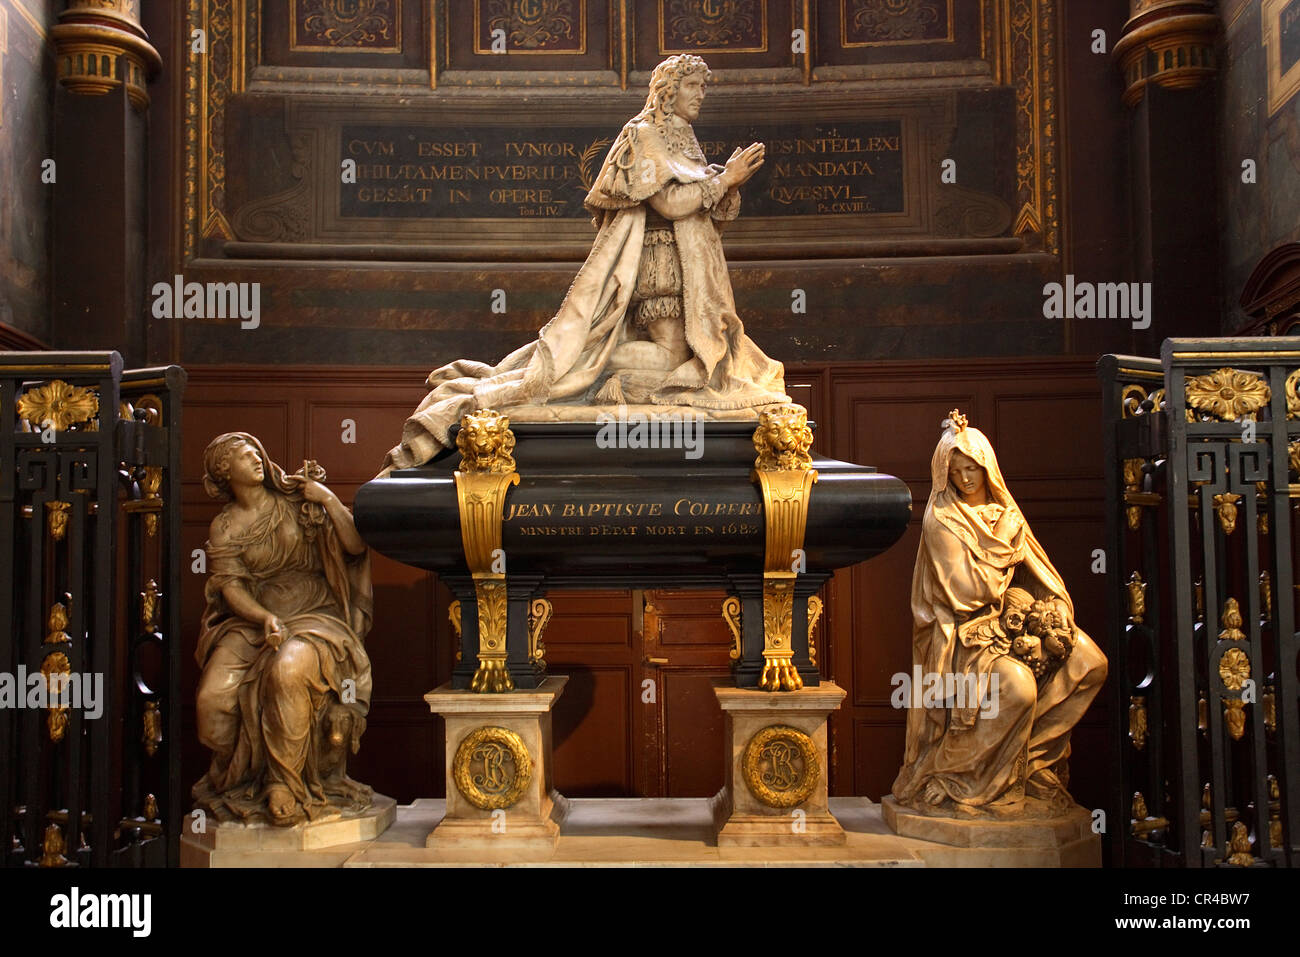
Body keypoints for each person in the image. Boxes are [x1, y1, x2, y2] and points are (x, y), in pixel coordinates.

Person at [381, 54, 791, 473]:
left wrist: (724, 181)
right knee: (673, 362)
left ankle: (582, 366)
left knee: (692, 362)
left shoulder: (682, 137)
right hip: (660, 270)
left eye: (703, 87)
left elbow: (698, 203)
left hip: (691, 274)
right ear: (668, 91)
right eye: (693, 86)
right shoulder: (644, 134)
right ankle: (584, 370)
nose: (701, 95)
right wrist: (724, 180)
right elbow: (669, 203)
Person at [892, 411, 1107, 815]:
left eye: (973, 468)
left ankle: (1029, 763)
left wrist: (1056, 611)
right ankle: (958, 776)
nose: (966, 479)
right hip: (964, 637)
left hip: (1016, 624)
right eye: (956, 471)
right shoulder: (943, 520)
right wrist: (1005, 541)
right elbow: (969, 593)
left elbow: (1043, 575)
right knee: (1019, 687)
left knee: (1090, 664)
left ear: (987, 467)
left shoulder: (1007, 513)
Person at [193, 432, 374, 826]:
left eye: (257, 451)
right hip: (251, 622)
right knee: (212, 702)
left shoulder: (296, 500)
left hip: (315, 616)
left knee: (287, 670)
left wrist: (326, 498)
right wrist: (263, 618)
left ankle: (283, 783)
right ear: (225, 471)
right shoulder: (224, 526)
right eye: (244, 456)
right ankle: (241, 781)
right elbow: (230, 585)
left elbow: (355, 546)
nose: (257, 459)